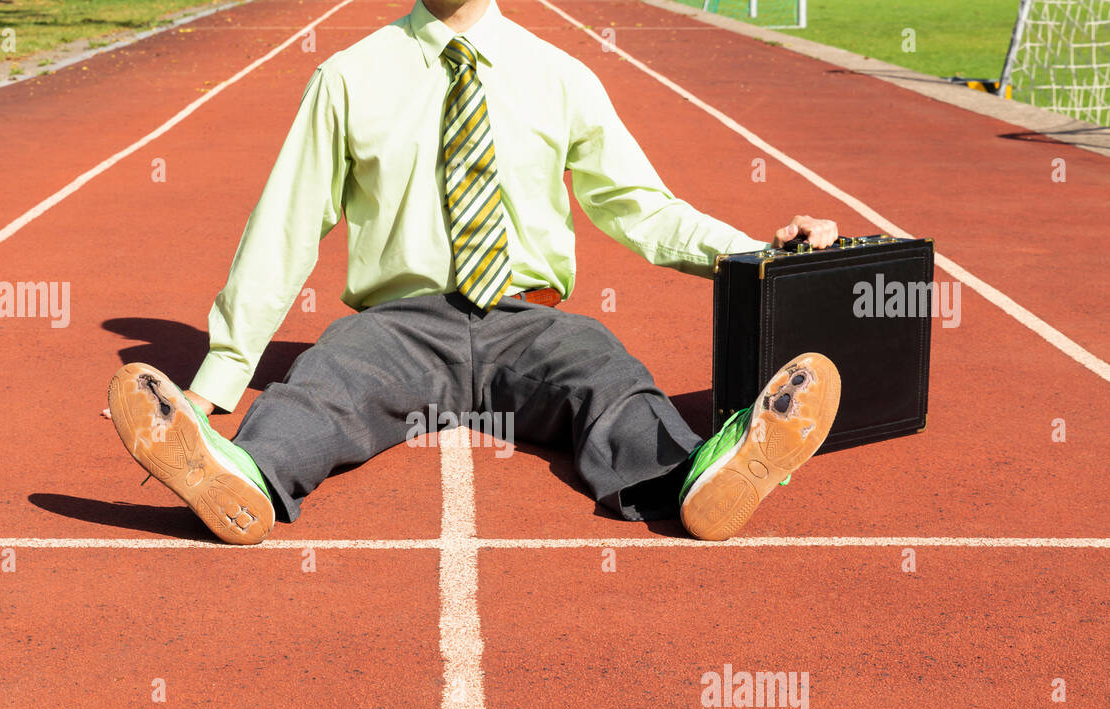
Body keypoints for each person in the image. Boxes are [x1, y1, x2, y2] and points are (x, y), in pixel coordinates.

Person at [107, 0, 841, 546]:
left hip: (528, 321)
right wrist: (216, 381)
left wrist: (760, 253)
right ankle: (241, 477)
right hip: (397, 325)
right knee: (325, 386)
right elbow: (286, 226)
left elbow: (641, 210)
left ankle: (698, 478)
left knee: (610, 380)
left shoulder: (561, 78)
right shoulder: (347, 78)